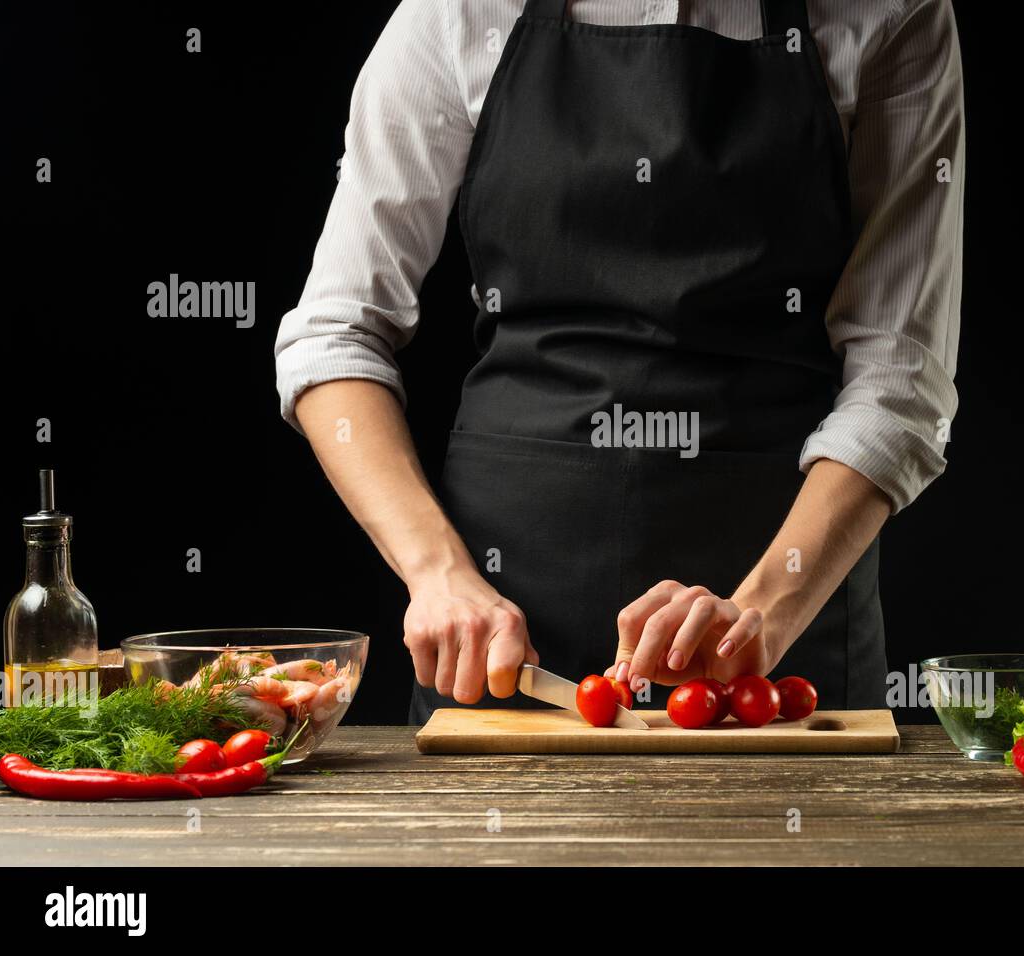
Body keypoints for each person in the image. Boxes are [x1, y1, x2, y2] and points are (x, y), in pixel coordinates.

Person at [275, 0, 963, 721]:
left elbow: (900, 374)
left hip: (781, 624)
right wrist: (437, 573)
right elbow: (335, 334)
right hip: (505, 629)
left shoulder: (895, 12)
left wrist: (767, 607)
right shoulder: (458, 10)